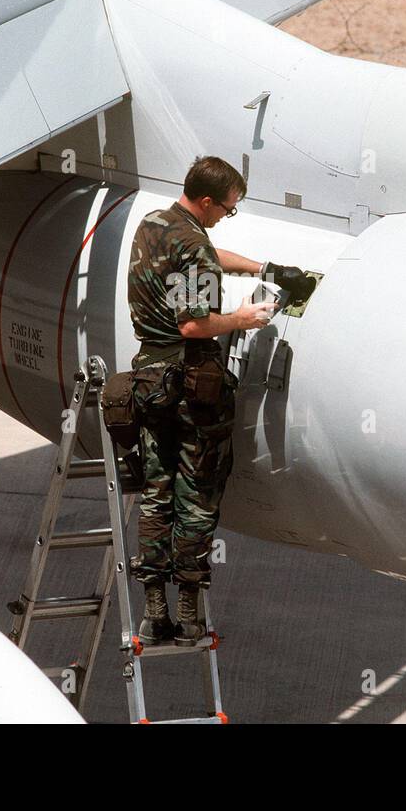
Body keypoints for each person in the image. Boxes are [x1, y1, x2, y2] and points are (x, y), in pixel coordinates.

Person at [125, 155, 317, 645]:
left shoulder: (157, 224)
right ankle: (188, 613)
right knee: (196, 499)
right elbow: (194, 323)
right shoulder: (193, 245)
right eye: (227, 209)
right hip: (192, 385)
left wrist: (263, 268)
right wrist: (244, 319)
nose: (225, 216)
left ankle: (152, 610)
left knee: (156, 495)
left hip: (149, 379)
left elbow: (204, 258)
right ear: (207, 201)